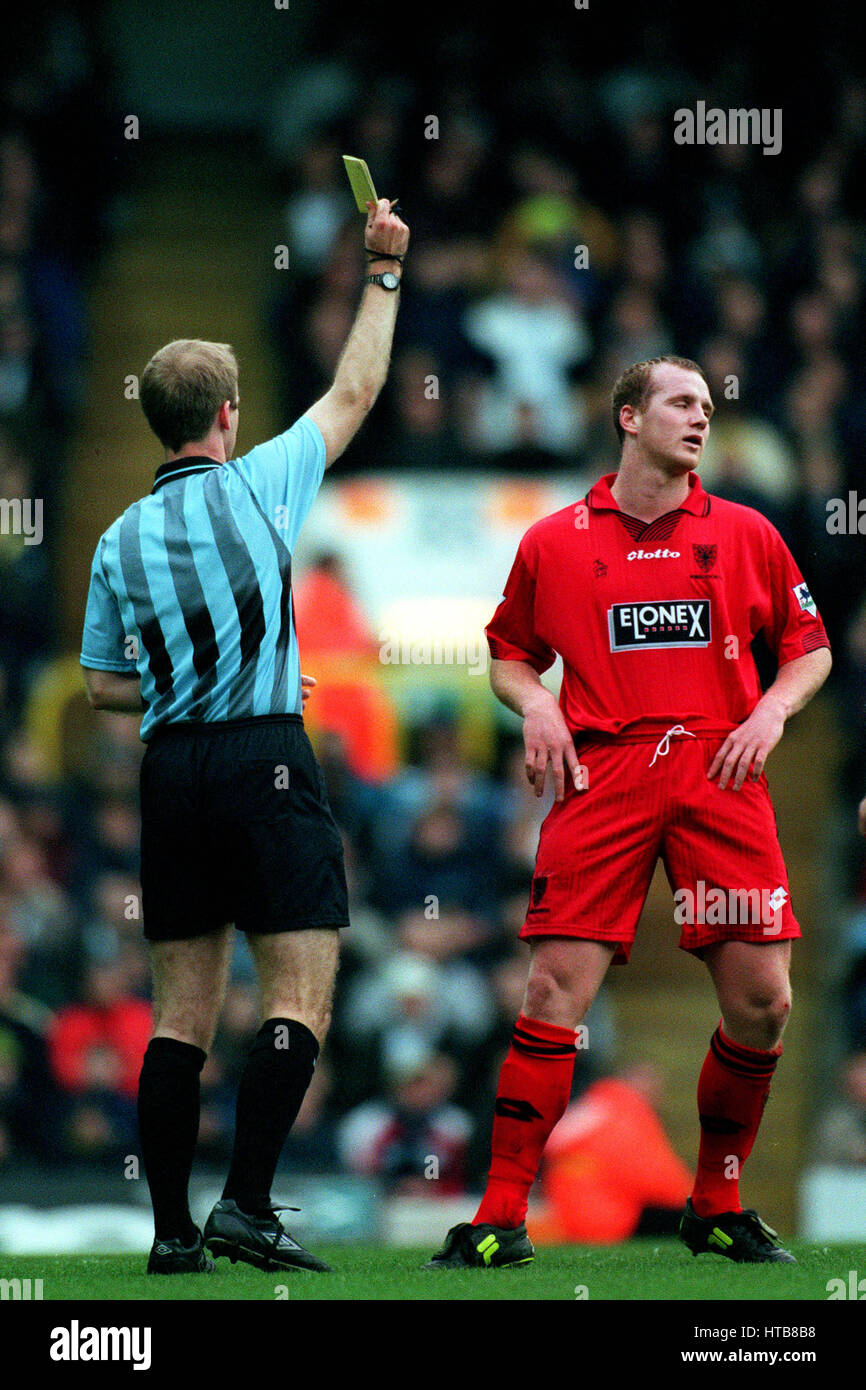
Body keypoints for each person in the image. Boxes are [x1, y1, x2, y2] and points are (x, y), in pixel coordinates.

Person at [426, 354, 832, 1269]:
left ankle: (716, 1203)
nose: (701, 418)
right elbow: (508, 656)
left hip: (720, 771)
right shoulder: (555, 541)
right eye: (681, 403)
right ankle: (499, 1216)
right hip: (601, 773)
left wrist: (771, 708)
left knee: (765, 1005)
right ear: (628, 418)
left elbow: (812, 651)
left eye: (706, 406)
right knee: (549, 995)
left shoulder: (748, 532)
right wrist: (535, 703)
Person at [79, 196, 409, 1274]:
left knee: (181, 1017)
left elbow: (98, 685)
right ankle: (248, 1203)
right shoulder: (260, 483)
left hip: (170, 771)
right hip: (266, 755)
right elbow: (355, 388)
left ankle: (172, 1232)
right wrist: (383, 270)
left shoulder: (117, 540)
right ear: (225, 411)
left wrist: (188, 683)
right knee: (298, 992)